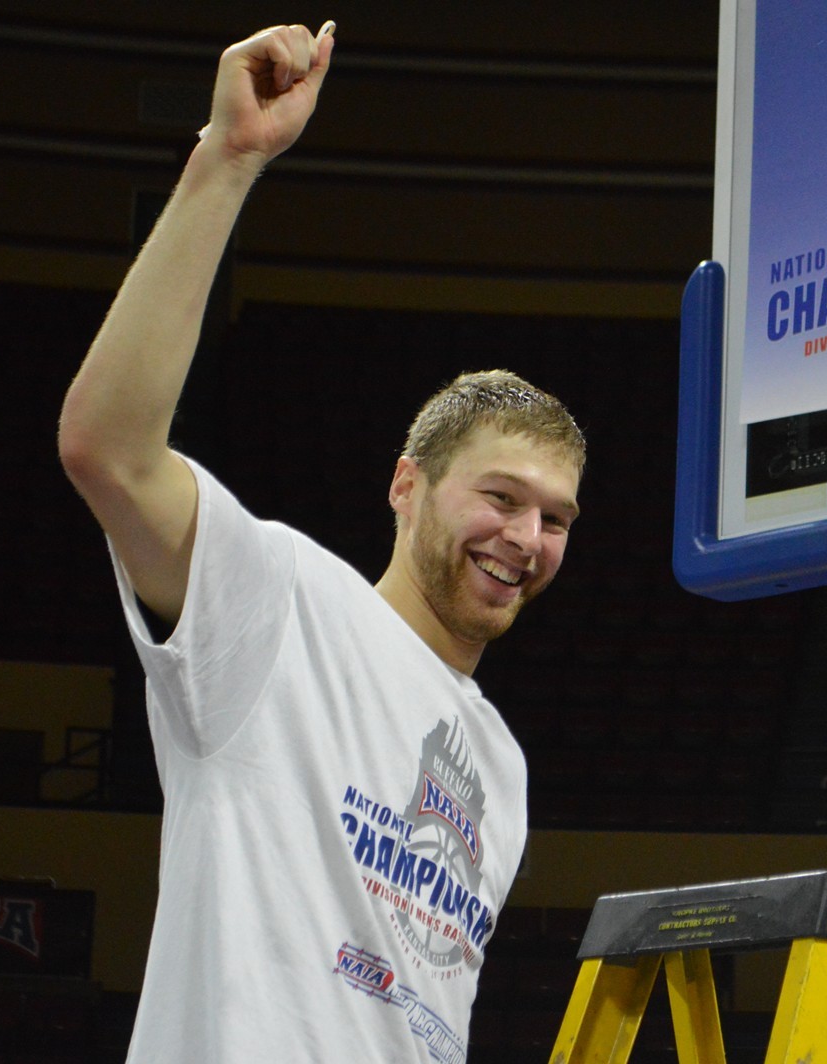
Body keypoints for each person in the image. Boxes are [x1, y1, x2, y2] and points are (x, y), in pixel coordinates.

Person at [57, 22, 584, 1063]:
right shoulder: (282, 601)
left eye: (557, 516)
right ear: (407, 485)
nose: (526, 537)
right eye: (502, 496)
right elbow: (107, 449)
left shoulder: (503, 769)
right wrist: (229, 161)